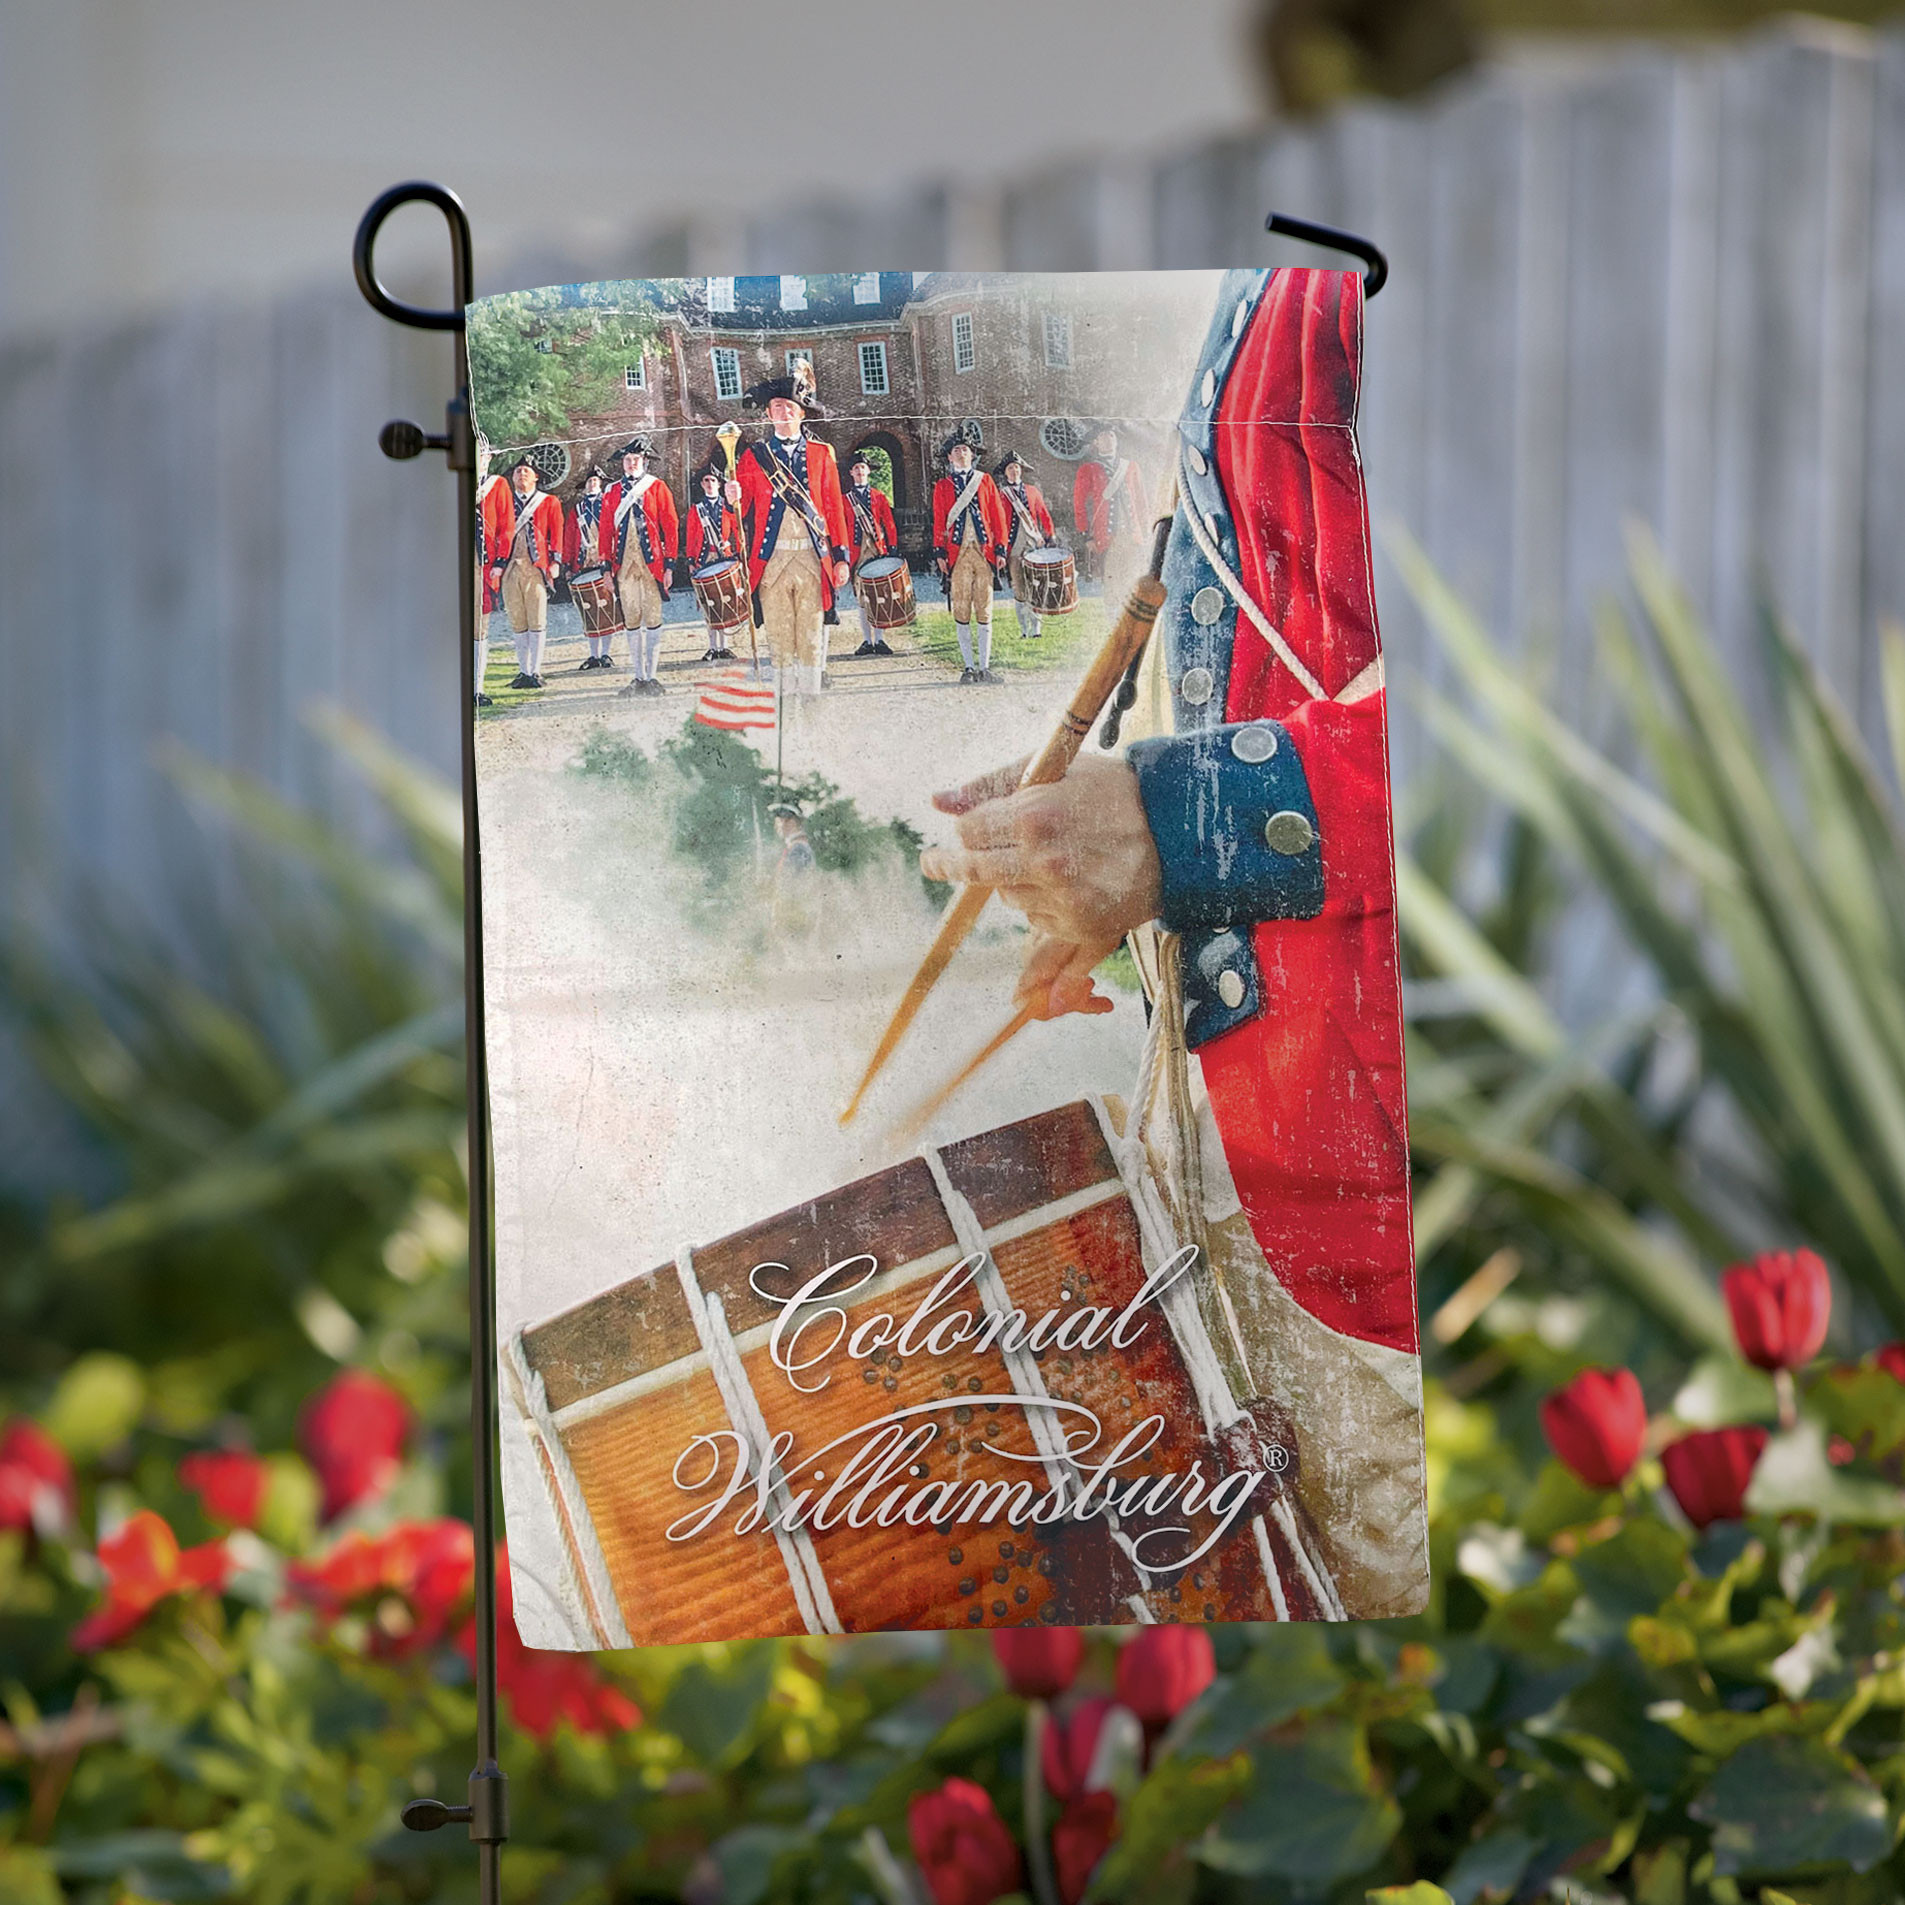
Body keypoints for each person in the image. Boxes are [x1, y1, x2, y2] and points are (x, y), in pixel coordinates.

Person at [918, 269, 1424, 1618]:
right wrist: (1083, 827)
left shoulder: (1388, 269)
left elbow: (1500, 707)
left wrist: (1164, 820)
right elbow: (1287, 627)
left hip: (1354, 1156)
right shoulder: (1287, 271)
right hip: (1231, 1108)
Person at [725, 367, 851, 697]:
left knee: (810, 641)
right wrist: (731, 499)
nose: (784, 412)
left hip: (812, 560)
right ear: (768, 413)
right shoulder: (754, 457)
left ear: (802, 413)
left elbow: (834, 509)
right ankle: (783, 710)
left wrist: (840, 557)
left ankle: (811, 706)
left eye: (791, 407)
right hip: (772, 562)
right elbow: (739, 512)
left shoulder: (822, 454)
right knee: (779, 643)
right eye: (778, 407)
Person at [602, 436, 679, 698]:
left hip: (652, 565)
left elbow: (670, 527)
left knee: (654, 618)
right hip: (623, 566)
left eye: (636, 459)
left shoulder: (657, 487)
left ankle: (653, 676)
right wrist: (605, 570)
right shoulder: (612, 491)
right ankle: (638, 676)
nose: (631, 463)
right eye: (627, 459)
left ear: (645, 461)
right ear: (622, 463)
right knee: (632, 619)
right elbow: (605, 532)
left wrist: (669, 565)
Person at [931, 425, 1008, 685]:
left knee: (984, 608)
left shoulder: (984, 480)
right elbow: (939, 520)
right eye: (957, 450)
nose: (962, 453)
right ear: (950, 457)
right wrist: (940, 551)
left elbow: (997, 515)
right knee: (962, 608)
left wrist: (1000, 548)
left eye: (966, 450)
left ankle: (985, 668)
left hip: (983, 551)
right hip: (957, 554)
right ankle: (968, 667)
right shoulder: (942, 486)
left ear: (972, 455)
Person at [489, 455, 563, 689]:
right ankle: (523, 671)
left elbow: (556, 533)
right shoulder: (506, 502)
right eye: (518, 471)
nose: (521, 474)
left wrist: (556, 562)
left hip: (536, 568)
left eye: (526, 471)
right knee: (517, 621)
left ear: (536, 477)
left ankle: (536, 671)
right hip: (510, 566)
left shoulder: (549, 501)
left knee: (537, 619)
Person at [1071, 423, 1148, 607]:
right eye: (1104, 436)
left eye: (1112, 436)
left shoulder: (1131, 466)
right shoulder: (1088, 469)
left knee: (1133, 580)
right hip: (1105, 535)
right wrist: (1086, 535)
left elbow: (1141, 501)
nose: (1109, 439)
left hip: (1131, 534)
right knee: (1112, 583)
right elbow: (1079, 504)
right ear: (1096, 443)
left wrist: (1145, 530)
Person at [993, 448, 1057, 640]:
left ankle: (1036, 629)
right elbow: (997, 522)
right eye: (1011, 468)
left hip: (1034, 546)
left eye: (1017, 467)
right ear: (1005, 472)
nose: (1015, 471)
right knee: (1020, 589)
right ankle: (1023, 629)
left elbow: (1044, 514)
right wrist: (1000, 548)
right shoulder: (1001, 494)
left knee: (1036, 587)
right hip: (1014, 548)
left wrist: (1050, 534)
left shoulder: (1032, 491)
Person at [843, 449, 901, 658]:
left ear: (868, 472)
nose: (860, 471)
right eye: (856, 468)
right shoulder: (845, 500)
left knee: (880, 596)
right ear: (851, 473)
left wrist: (892, 547)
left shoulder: (879, 496)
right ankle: (867, 641)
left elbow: (889, 523)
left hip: (877, 549)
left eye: (863, 468)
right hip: (857, 553)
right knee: (862, 598)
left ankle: (881, 640)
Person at [685, 462, 745, 662]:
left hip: (724, 557)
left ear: (719, 484)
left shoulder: (727, 506)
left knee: (725, 601)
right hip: (704, 559)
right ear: (702, 485)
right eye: (706, 481)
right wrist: (691, 560)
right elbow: (691, 535)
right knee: (709, 605)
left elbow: (737, 529)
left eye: (713, 480)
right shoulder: (696, 509)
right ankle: (712, 647)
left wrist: (739, 552)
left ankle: (724, 647)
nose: (710, 484)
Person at [475, 433, 514, 706]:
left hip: (482, 564)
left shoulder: (497, 485)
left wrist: (500, 562)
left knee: (480, 628)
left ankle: (477, 688)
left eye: (484, 454)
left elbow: (505, 527)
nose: (481, 458)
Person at [565, 470, 613, 670]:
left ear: (601, 484)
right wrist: (567, 564)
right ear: (585, 486)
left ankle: (606, 654)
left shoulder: (610, 505)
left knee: (607, 608)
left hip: (605, 564)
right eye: (589, 481)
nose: (592, 483)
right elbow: (569, 537)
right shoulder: (577, 510)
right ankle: (593, 655)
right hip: (583, 563)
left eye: (596, 480)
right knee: (589, 611)